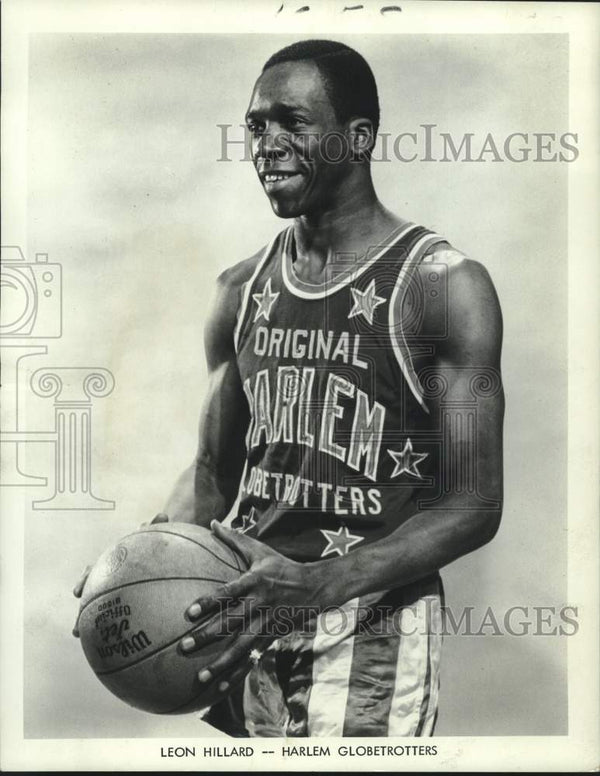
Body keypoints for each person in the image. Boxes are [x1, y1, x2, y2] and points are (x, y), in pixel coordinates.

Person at [74, 39, 504, 737]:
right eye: (255, 127)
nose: (266, 145)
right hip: (242, 616)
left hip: (369, 631)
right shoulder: (240, 290)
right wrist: (132, 565)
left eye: (291, 122)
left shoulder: (441, 287)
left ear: (358, 138)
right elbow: (216, 471)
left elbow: (474, 504)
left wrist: (320, 583)